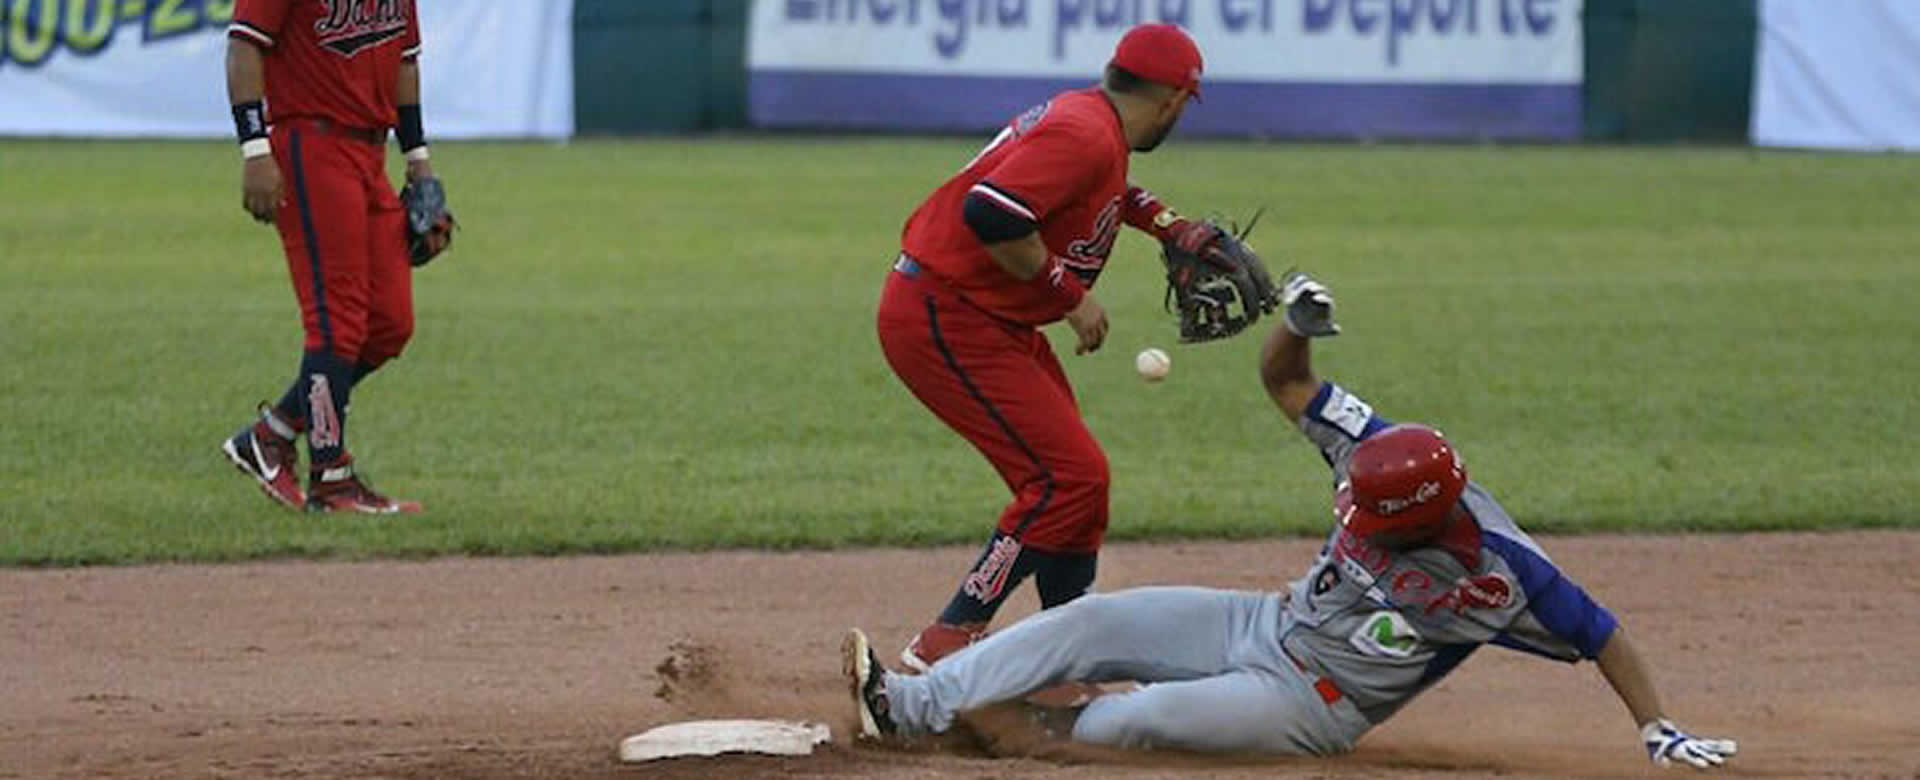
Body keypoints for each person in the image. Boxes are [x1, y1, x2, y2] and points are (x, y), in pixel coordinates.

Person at [840, 272, 1739, 769]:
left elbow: (1606, 637)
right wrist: (1302, 322)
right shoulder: (1377, 451)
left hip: (1309, 703)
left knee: (1132, 724)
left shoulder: (1501, 574)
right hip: (1263, 623)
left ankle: (1011, 739)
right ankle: (914, 705)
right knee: (1092, 620)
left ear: (1423, 522)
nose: (1353, 520)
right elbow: (1286, 379)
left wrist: (1656, 727)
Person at [879, 23, 1236, 673]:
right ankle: (942, 647)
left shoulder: (1094, 122)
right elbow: (991, 212)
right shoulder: (1084, 134)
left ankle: (1064, 661)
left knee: (1084, 491)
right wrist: (1069, 296)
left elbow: (1108, 190)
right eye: (1185, 104)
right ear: (1173, 99)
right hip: (944, 313)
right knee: (1063, 479)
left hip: (984, 317)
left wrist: (1168, 226)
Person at [217, 0, 452, 513]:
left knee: (389, 322)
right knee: (337, 320)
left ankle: (271, 434)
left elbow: (405, 60)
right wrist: (255, 149)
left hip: (371, 152)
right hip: (311, 144)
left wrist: (419, 162)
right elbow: (244, 44)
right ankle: (332, 476)